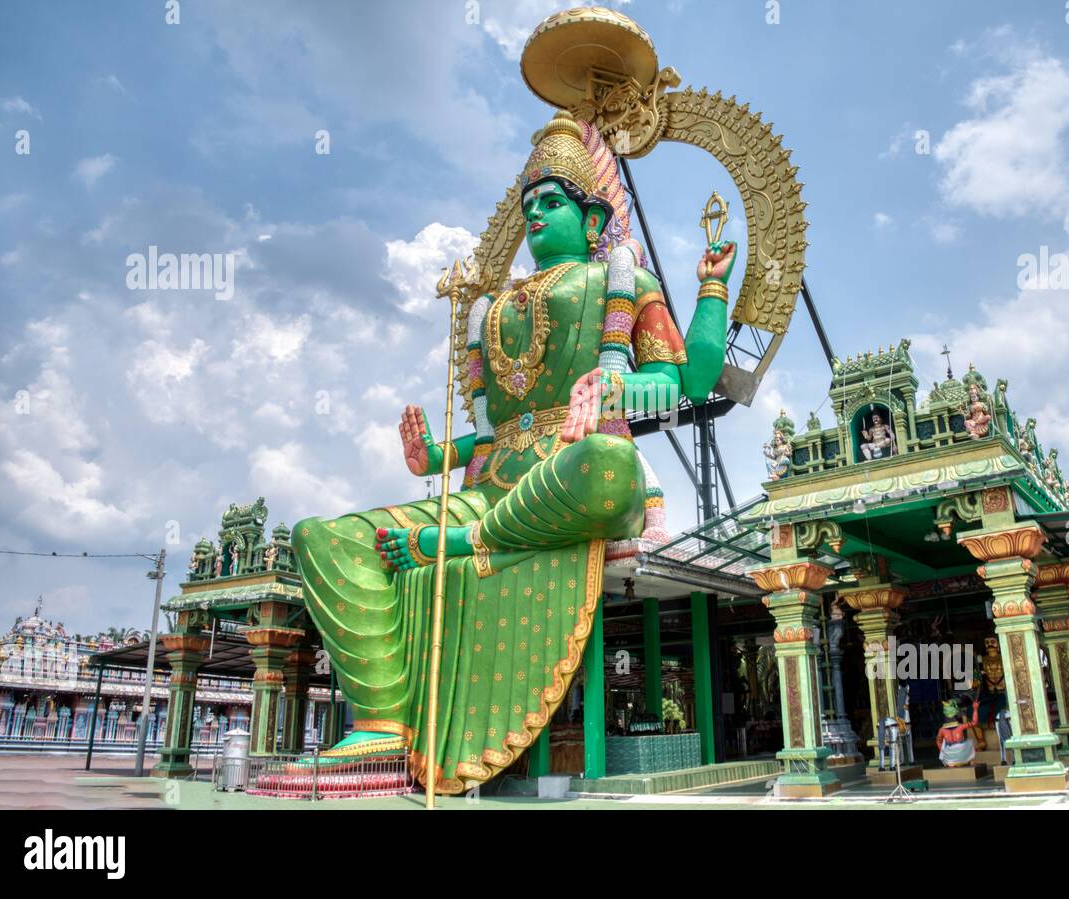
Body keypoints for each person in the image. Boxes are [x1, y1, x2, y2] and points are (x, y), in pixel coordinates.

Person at [291, 110, 737, 793]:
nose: (535, 216)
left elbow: (685, 382)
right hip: (495, 484)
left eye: (551, 202)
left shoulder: (617, 277)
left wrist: (703, 295)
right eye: (529, 204)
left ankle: (462, 541)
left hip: (573, 473)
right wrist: (435, 456)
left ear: (591, 221)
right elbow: (494, 429)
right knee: (324, 539)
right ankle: (382, 726)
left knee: (610, 468)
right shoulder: (490, 310)